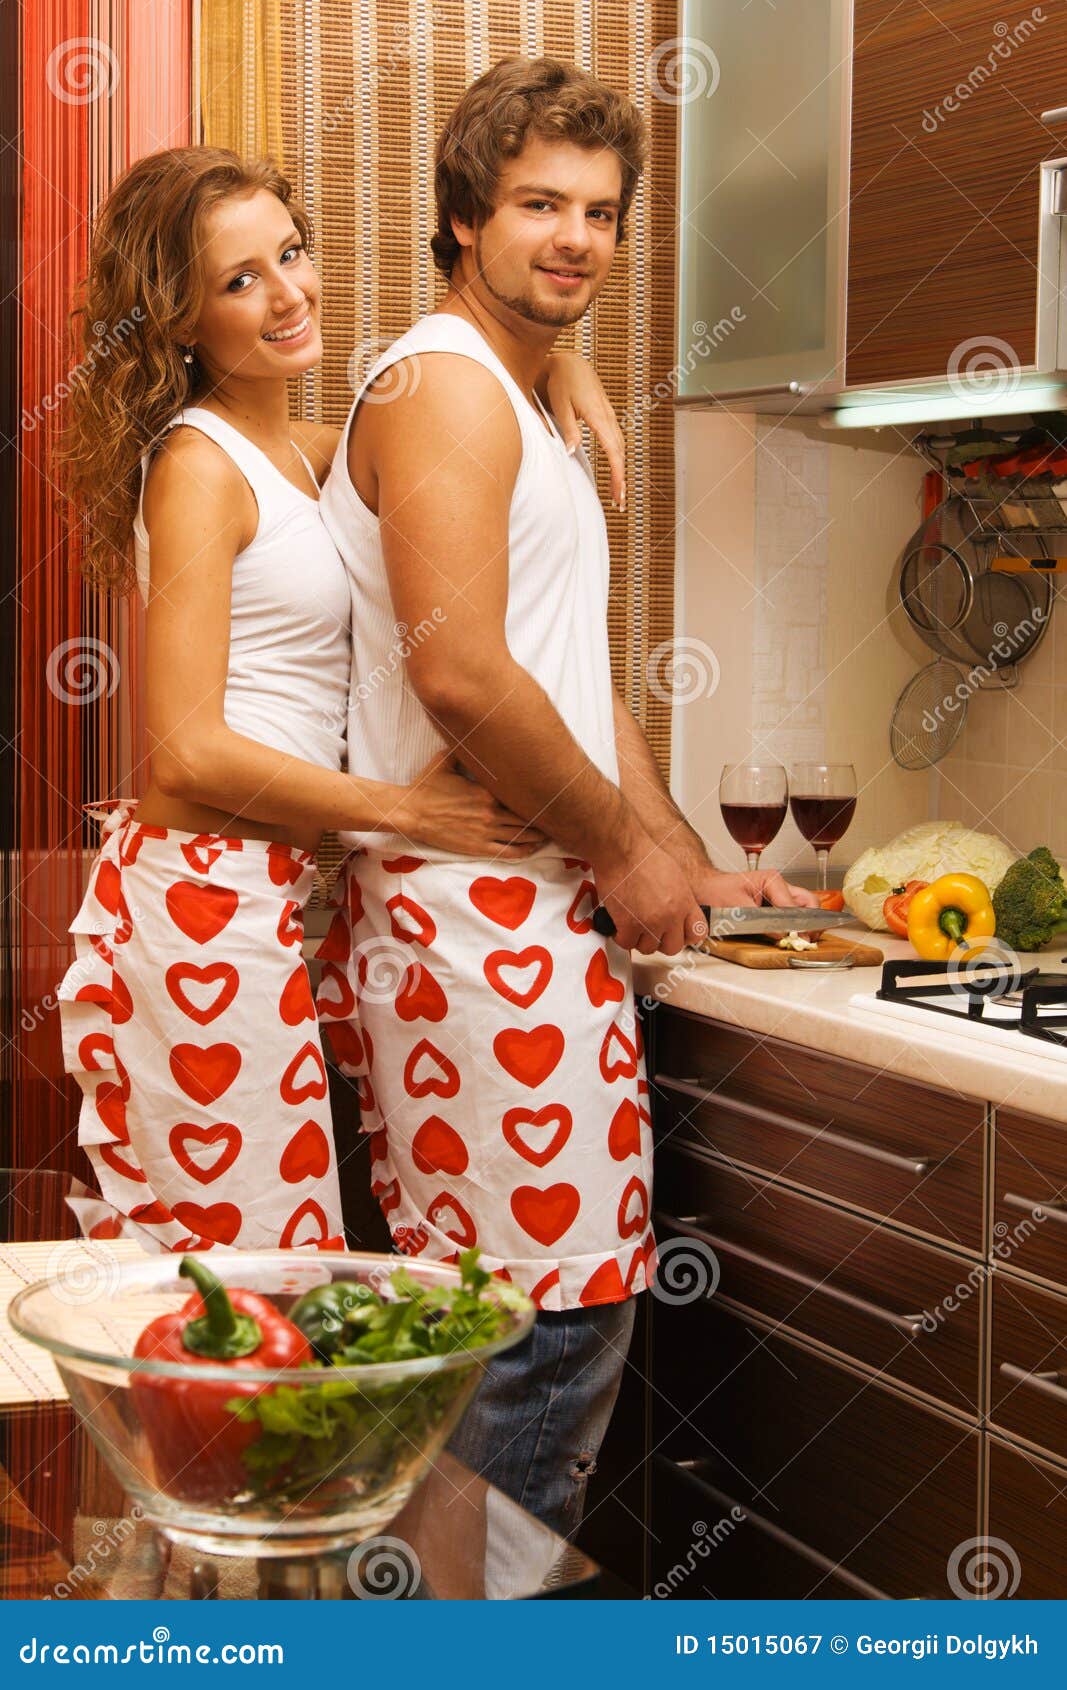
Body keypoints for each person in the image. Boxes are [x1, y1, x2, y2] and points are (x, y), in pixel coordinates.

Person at [315, 58, 817, 1533]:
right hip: (470, 928)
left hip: (525, 927)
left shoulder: (514, 401)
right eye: (539, 202)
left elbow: (571, 675)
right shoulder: (444, 392)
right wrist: (618, 850)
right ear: (463, 214)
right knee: (530, 1344)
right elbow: (464, 677)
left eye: (599, 210)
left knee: (547, 1323)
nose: (575, 236)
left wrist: (669, 856)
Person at [53, 145, 617, 1253]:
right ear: (176, 318)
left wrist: (556, 363)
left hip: (255, 899)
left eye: (292, 254)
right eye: (239, 280)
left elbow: (432, 406)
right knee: (246, 1287)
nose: (287, 293)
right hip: (195, 906)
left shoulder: (298, 451)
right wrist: (398, 811)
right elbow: (182, 750)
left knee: (278, 1269)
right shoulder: (198, 467)